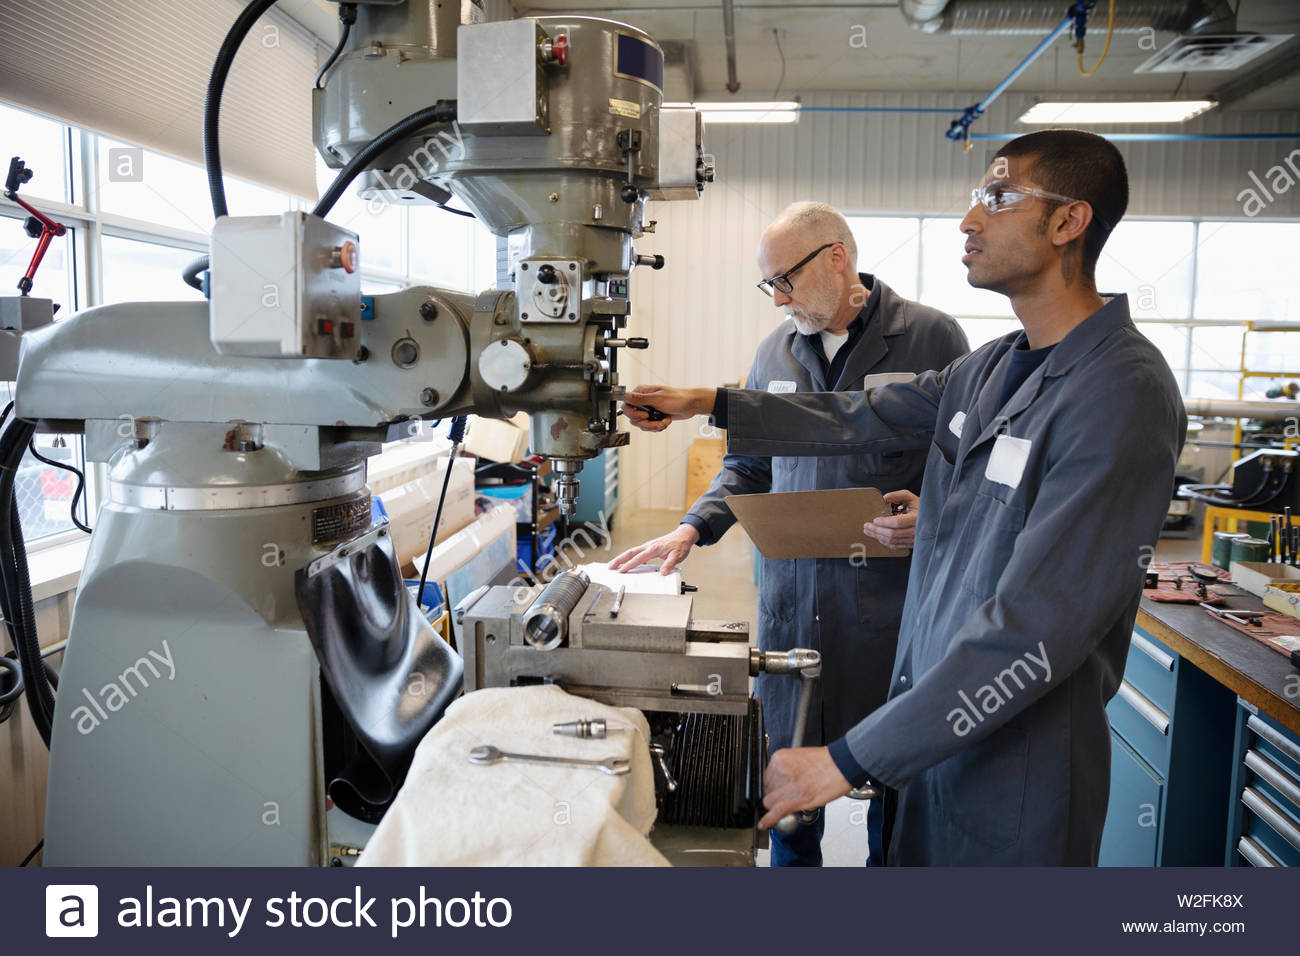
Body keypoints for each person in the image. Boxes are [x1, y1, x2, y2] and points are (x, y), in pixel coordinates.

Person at [622, 129, 1186, 865]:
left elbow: (1038, 624)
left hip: (1015, 763)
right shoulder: (988, 369)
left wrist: (846, 757)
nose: (968, 220)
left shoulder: (1121, 391)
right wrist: (708, 401)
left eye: (998, 195)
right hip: (934, 731)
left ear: (1068, 221)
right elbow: (857, 413)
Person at [609, 201, 968, 867]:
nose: (778, 299)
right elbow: (747, 466)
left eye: (786, 279)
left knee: (897, 788)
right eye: (768, 284)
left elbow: (962, 462)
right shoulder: (774, 350)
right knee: (788, 804)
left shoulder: (932, 338)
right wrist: (692, 527)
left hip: (889, 611)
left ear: (838, 257)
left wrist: (938, 514)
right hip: (794, 610)